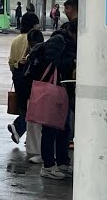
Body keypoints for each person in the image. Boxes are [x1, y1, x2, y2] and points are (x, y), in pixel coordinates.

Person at [23, 22, 77, 179]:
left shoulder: (67, 42)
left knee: (64, 128)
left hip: (63, 90)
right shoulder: (59, 41)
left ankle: (62, 163)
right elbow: (54, 63)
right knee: (50, 128)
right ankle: (48, 165)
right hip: (53, 90)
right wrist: (71, 62)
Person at [7, 12, 40, 144]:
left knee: (24, 105)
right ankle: (19, 126)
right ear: (33, 24)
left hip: (16, 75)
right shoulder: (32, 39)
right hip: (28, 76)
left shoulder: (16, 40)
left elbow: (11, 62)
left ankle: (24, 135)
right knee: (32, 106)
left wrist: (15, 67)